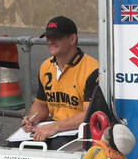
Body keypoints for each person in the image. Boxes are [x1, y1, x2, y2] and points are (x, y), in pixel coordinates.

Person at [7, 15, 100, 146]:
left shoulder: (92, 69)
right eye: (48, 38)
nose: (50, 41)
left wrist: (55, 126)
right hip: (53, 127)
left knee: (57, 147)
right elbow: (41, 104)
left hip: (78, 131)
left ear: (72, 39)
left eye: (56, 38)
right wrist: (33, 118)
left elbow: (89, 115)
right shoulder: (45, 66)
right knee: (13, 145)